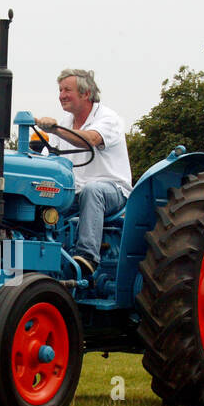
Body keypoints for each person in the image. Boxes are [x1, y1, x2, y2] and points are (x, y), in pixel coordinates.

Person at [35, 68, 130, 277]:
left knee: (92, 190)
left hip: (112, 191)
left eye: (67, 90)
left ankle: (87, 258)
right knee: (40, 200)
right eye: (60, 90)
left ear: (86, 94)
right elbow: (46, 161)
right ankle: (38, 259)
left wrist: (56, 130)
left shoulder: (108, 118)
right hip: (74, 193)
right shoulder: (66, 122)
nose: (61, 95)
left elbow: (91, 140)